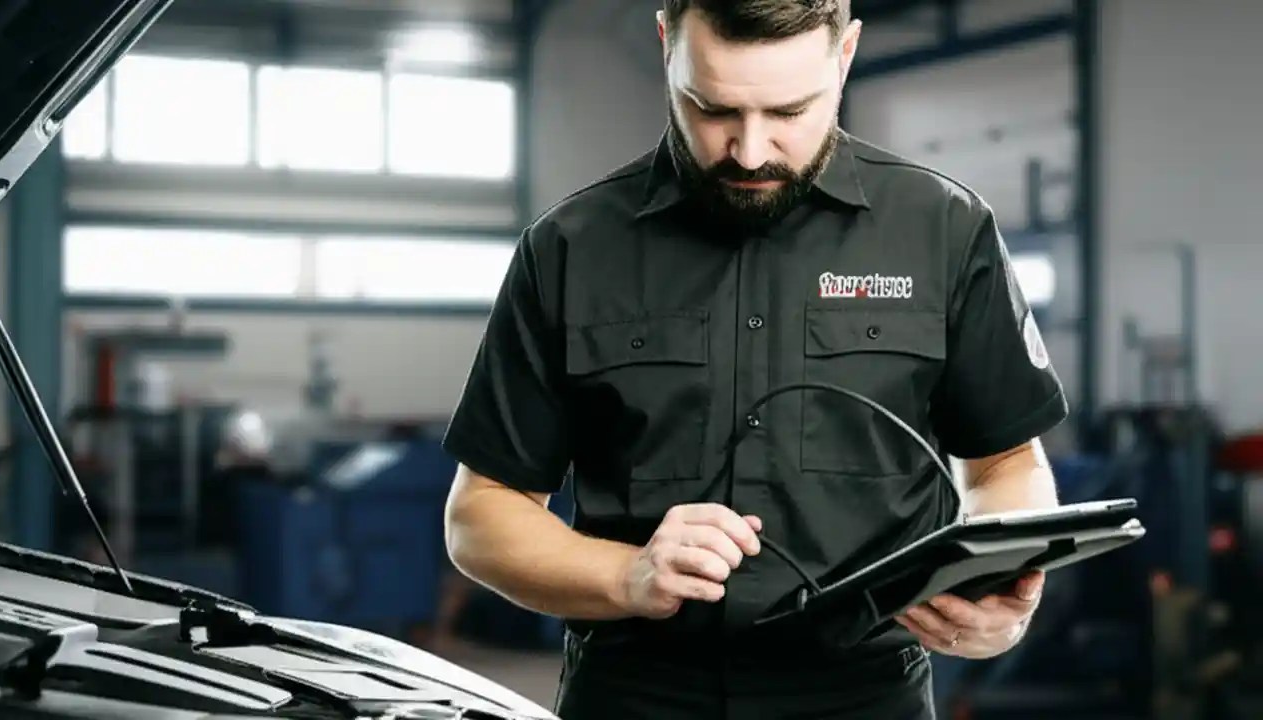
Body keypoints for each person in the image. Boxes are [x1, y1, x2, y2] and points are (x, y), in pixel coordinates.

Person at [440, 0, 1068, 717]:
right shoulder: (571, 248)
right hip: (636, 695)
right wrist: (628, 574)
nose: (749, 150)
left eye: (789, 112)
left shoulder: (945, 231)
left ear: (846, 54)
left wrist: (1000, 596)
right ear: (664, 44)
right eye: (712, 109)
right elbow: (482, 514)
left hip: (865, 697)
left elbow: (1004, 464)